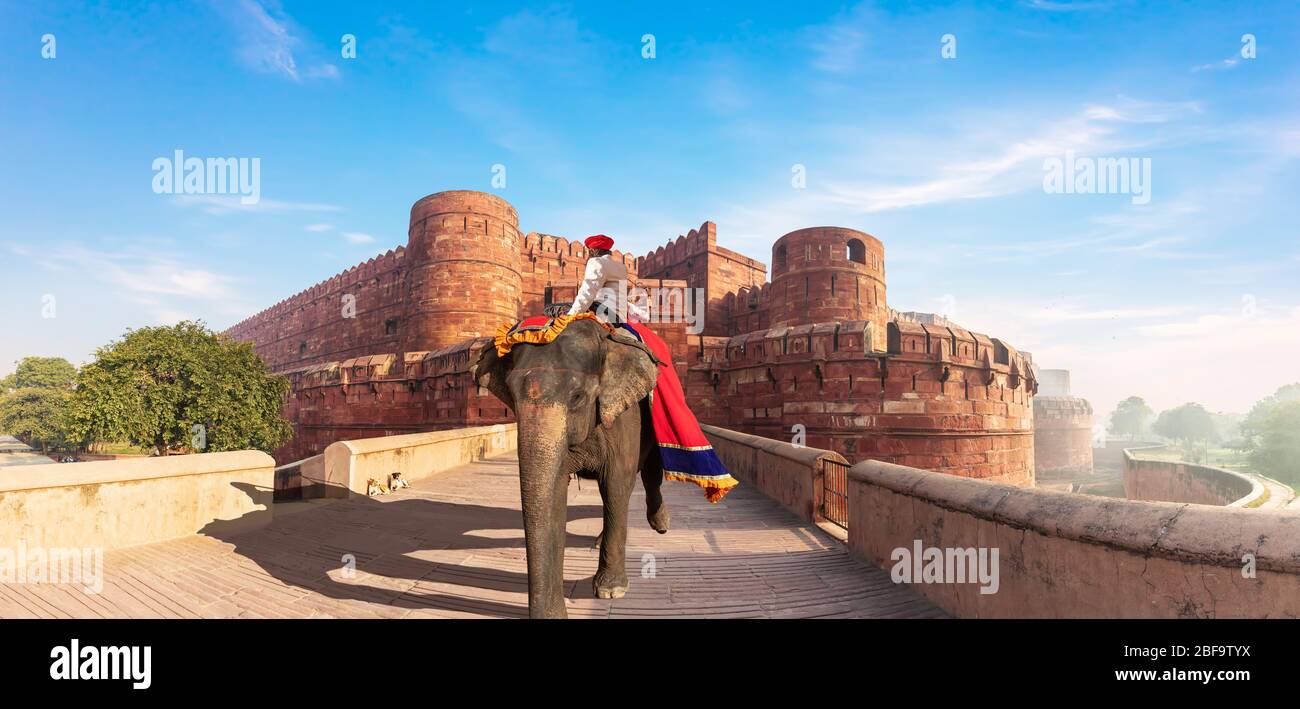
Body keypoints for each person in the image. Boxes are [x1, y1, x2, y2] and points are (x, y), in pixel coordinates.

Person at [567, 234, 737, 502]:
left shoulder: (596, 265)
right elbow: (620, 302)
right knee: (658, 364)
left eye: (589, 250)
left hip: (598, 318)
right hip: (621, 323)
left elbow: (587, 293)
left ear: (592, 249)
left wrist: (568, 318)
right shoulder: (620, 268)